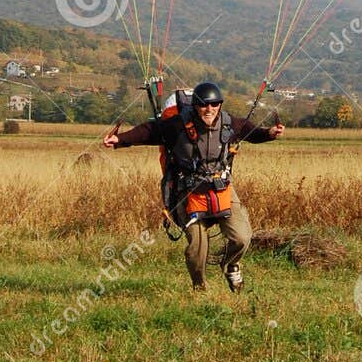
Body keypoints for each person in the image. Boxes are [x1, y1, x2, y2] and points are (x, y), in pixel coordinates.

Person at [102, 80, 284, 291]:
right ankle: (200, 287)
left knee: (242, 237)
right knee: (198, 247)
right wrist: (120, 139)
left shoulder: (228, 123)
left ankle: (231, 264)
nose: (209, 109)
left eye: (214, 104)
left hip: (221, 188)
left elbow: (249, 131)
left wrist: (269, 134)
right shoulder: (177, 125)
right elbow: (149, 131)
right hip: (188, 192)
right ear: (195, 106)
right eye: (204, 105)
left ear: (220, 105)